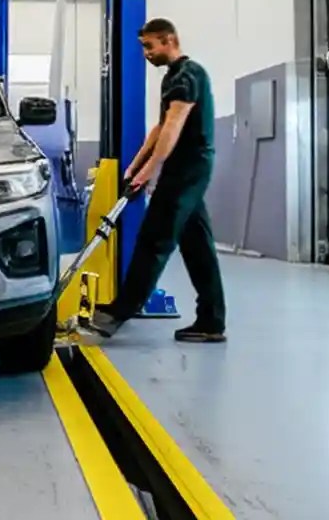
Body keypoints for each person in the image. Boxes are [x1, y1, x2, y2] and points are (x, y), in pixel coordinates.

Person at [85, 18, 227, 342]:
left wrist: (149, 174)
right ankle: (211, 321)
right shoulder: (173, 78)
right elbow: (160, 129)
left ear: (169, 40)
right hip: (182, 167)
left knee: (154, 238)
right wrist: (134, 167)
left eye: (150, 46)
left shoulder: (188, 76)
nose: (146, 53)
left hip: (189, 168)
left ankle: (117, 312)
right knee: (198, 247)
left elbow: (174, 128)